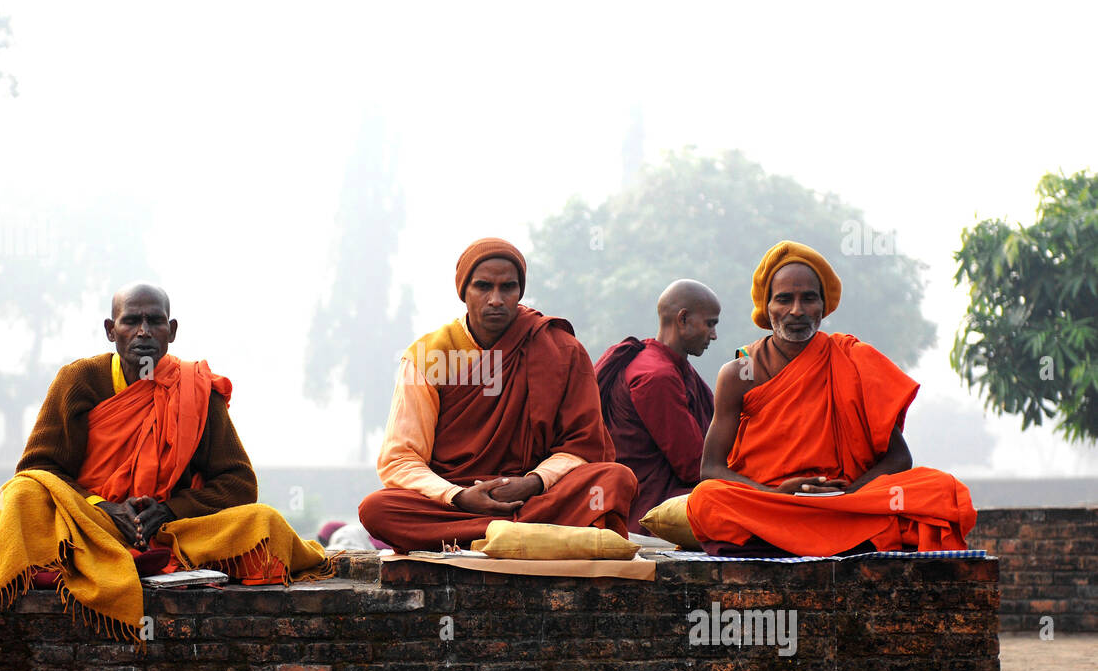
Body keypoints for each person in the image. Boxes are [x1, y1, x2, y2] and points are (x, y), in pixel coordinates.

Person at [0, 283, 330, 642]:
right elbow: (38, 469)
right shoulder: (79, 380)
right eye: (132, 321)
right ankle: (105, 555)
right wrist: (103, 508)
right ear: (110, 329)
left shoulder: (195, 391)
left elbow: (239, 483)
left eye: (155, 321)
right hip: (86, 524)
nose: (144, 332)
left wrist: (168, 509)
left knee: (263, 521)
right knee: (24, 494)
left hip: (167, 530)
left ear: (172, 330)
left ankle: (109, 559)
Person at [686, 241, 976, 556]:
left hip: (847, 501)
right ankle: (837, 538)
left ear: (824, 305)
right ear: (766, 308)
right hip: (772, 502)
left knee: (940, 489)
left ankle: (788, 540)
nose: (797, 310)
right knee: (708, 499)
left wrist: (849, 494)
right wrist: (774, 491)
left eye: (808, 298)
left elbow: (899, 458)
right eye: (784, 299)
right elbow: (711, 468)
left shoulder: (851, 360)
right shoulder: (740, 373)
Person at [358, 237, 637, 552]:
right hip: (457, 503)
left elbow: (582, 445)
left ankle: (490, 535)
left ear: (520, 290)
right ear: (463, 291)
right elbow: (401, 458)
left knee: (616, 479)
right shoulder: (429, 356)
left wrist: (533, 481)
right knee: (377, 509)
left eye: (508, 288)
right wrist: (459, 496)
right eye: (483, 287)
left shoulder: (561, 350)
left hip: (534, 494)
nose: (496, 299)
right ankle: (529, 534)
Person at [594, 280, 719, 533]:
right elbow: (694, 466)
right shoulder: (656, 376)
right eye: (710, 323)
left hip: (661, 496)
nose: (714, 335)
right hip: (650, 511)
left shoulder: (674, 367)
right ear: (682, 319)